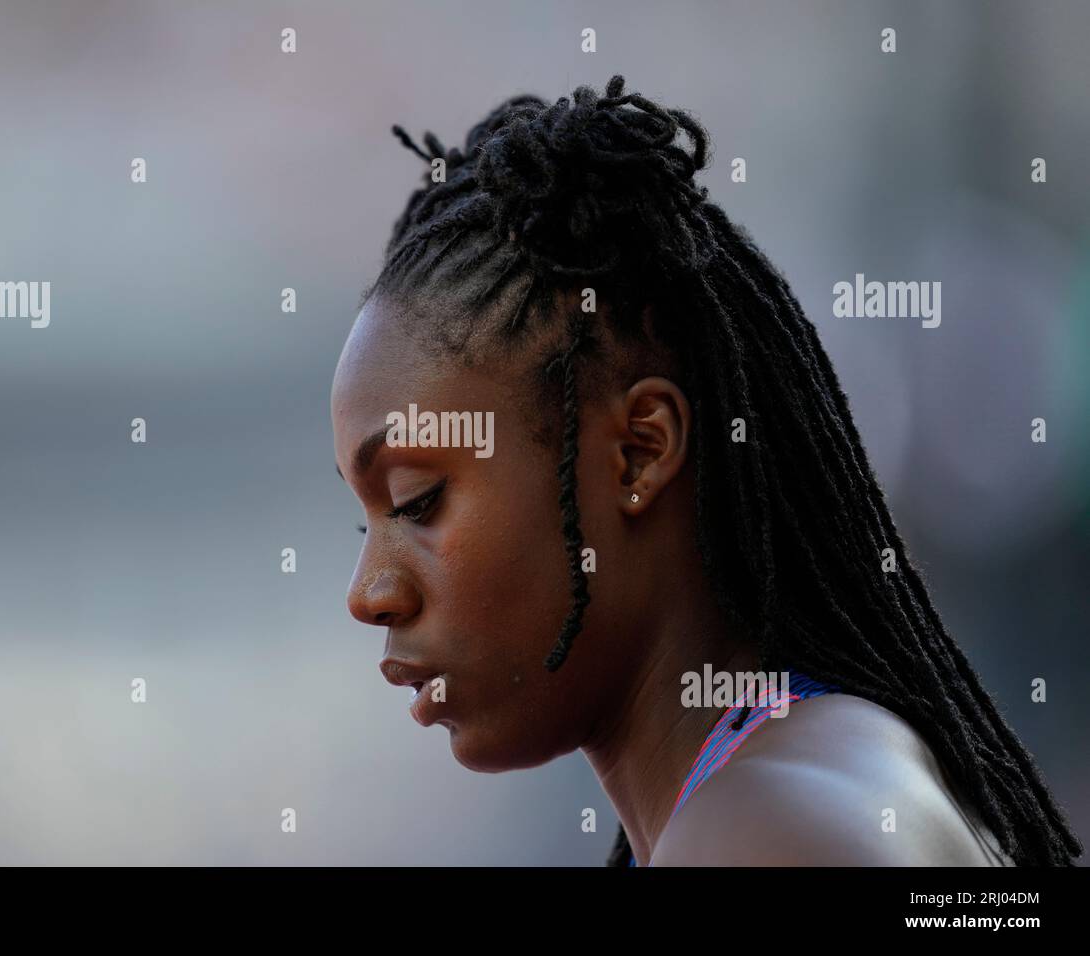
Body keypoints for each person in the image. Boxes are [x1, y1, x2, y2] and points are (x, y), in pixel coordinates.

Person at [330, 75, 1081, 866]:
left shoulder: (765, 832)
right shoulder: (815, 774)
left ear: (640, 453)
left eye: (417, 501)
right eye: (366, 518)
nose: (369, 592)